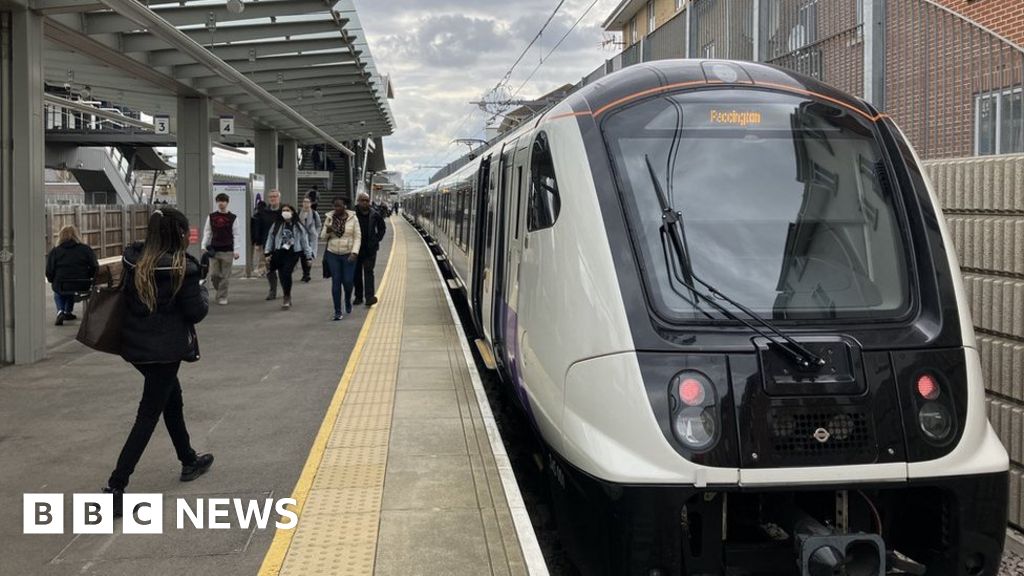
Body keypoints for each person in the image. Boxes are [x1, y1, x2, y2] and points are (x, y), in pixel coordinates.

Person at [104, 207, 214, 517]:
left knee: (172, 400)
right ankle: (116, 485)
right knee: (148, 414)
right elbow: (196, 313)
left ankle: (188, 459)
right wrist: (203, 289)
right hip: (165, 351)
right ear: (177, 233)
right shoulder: (183, 269)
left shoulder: (133, 259)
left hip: (136, 347)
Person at [45, 224, 98, 326]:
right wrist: (90, 277)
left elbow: (49, 270)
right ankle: (68, 312)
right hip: (82, 283)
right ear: (76, 235)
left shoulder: (55, 251)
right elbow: (95, 266)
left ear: (61, 236)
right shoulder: (86, 249)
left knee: (59, 291)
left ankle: (60, 311)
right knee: (71, 289)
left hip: (62, 283)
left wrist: (52, 280)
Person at [264, 203, 312, 310]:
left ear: (293, 212)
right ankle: (286, 293)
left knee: (286, 272)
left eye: (288, 210)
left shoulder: (298, 226)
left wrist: (308, 257)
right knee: (282, 275)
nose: (285, 212)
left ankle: (286, 297)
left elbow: (305, 242)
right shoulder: (277, 224)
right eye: (283, 210)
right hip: (279, 251)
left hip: (293, 252)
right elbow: (270, 238)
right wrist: (267, 252)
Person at [320, 197, 361, 321]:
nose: (336, 208)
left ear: (345, 206)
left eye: (339, 206)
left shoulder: (353, 219)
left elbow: (358, 237)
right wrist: (328, 230)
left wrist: (354, 252)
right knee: (336, 282)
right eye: (335, 206)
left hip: (348, 253)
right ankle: (337, 311)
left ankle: (348, 299)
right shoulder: (329, 218)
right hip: (332, 254)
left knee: (348, 282)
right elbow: (322, 237)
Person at [201, 193, 241, 305]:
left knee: (225, 276)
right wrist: (203, 246)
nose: (221, 203)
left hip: (228, 250)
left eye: (223, 201)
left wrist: (236, 250)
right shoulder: (211, 217)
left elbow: (236, 234)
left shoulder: (233, 218)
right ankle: (221, 290)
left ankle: (222, 297)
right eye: (219, 201)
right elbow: (207, 232)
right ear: (216, 202)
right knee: (214, 275)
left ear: (227, 202)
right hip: (214, 250)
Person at [353, 192, 387, 307]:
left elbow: (382, 228)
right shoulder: (352, 214)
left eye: (367, 200)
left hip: (370, 249)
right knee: (356, 273)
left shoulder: (375, 214)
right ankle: (358, 296)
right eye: (362, 200)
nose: (365, 202)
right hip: (356, 249)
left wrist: (377, 239)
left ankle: (369, 297)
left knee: (369, 272)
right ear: (358, 201)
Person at [255, 190, 283, 298]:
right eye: (271, 197)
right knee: (270, 268)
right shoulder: (263, 212)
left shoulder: (285, 211)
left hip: (282, 244)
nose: (273, 198)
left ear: (279, 198)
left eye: (275, 196)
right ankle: (272, 290)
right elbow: (258, 228)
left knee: (282, 269)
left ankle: (286, 290)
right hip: (267, 244)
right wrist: (258, 243)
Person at [298, 197, 322, 283]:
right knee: (303, 256)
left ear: (310, 204)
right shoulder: (299, 213)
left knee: (309, 256)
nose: (306, 203)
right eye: (304, 202)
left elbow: (319, 225)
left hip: (311, 237)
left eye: (308, 202)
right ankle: (304, 273)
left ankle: (307, 274)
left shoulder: (315, 214)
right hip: (301, 237)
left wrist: (316, 233)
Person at [250, 201, 269, 278]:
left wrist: (256, 241)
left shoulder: (256, 216)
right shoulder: (267, 216)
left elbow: (256, 230)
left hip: (259, 240)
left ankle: (260, 271)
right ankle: (263, 270)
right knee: (264, 257)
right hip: (266, 240)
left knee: (259, 256)